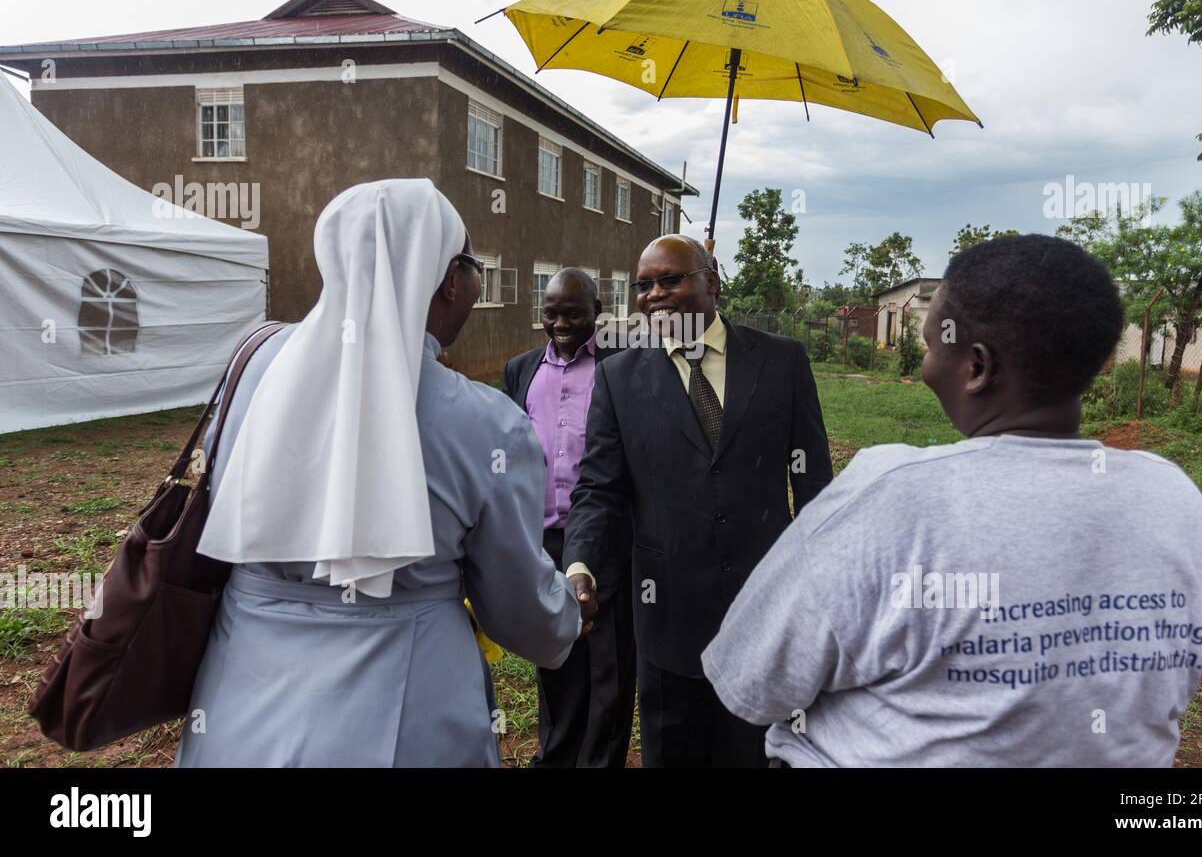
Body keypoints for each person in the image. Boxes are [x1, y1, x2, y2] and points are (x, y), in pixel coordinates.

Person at [702, 234, 1202, 767]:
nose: (926, 366)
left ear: (977, 367)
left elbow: (752, 682)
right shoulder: (1173, 497)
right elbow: (1196, 661)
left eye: (934, 347)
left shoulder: (890, 494)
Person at [175, 178, 580, 767]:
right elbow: (522, 613)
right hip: (411, 717)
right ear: (446, 278)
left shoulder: (251, 374)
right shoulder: (489, 425)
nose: (474, 284)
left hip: (239, 709)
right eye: (473, 266)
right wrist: (568, 609)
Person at [563, 234, 833, 767]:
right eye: (644, 285)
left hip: (765, 609)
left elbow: (814, 483)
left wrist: (821, 577)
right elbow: (599, 487)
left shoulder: (781, 362)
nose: (654, 294)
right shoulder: (619, 378)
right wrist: (581, 563)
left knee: (757, 754)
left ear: (711, 282)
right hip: (666, 616)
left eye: (670, 279)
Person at [502, 269, 635, 768]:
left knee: (608, 670)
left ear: (597, 312)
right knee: (556, 657)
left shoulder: (620, 367)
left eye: (573, 312)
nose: (561, 323)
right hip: (543, 541)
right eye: (551, 312)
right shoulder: (521, 370)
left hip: (604, 539)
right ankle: (554, 757)